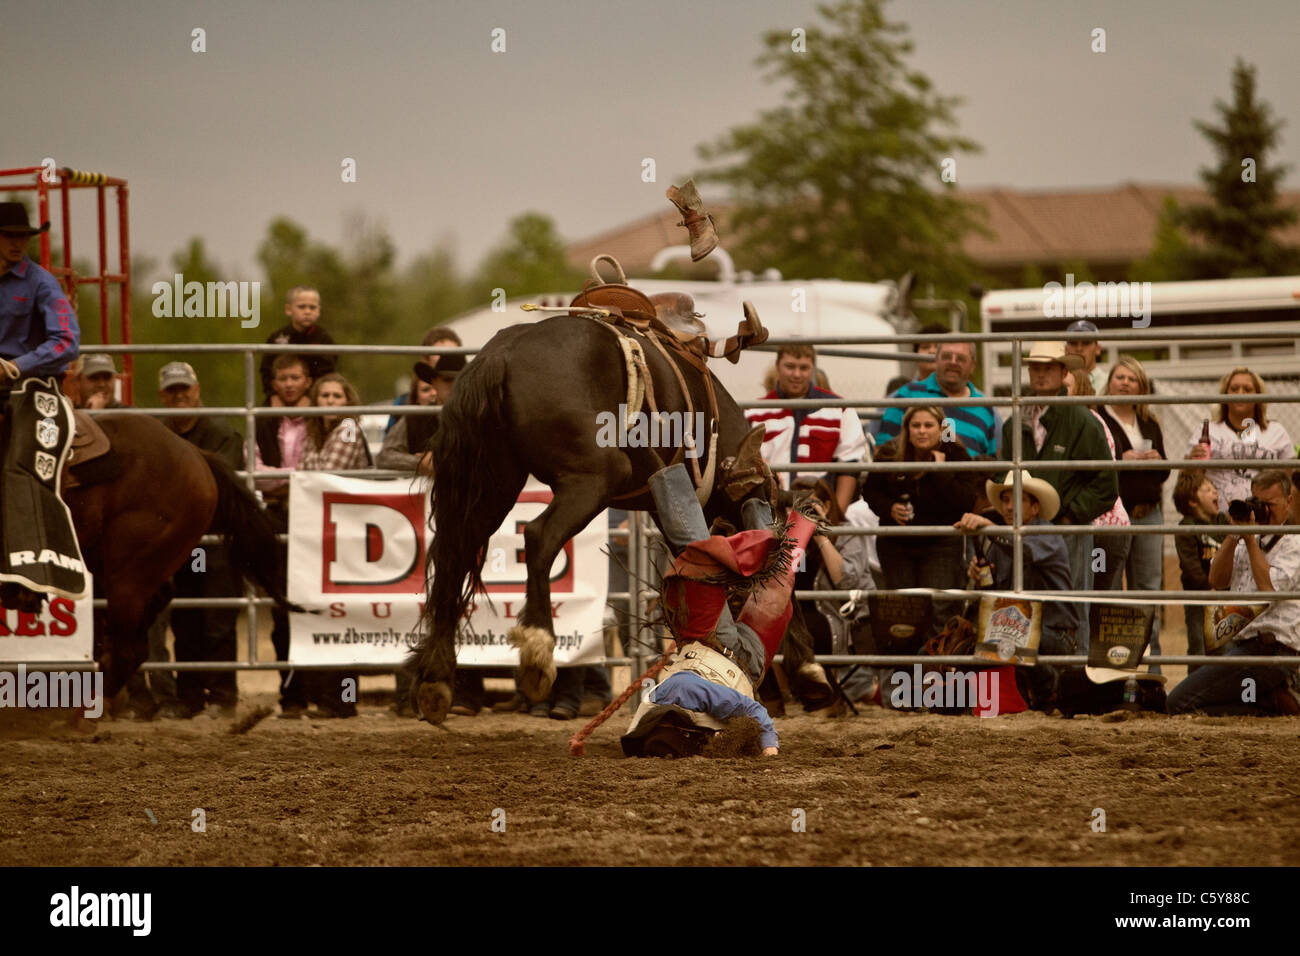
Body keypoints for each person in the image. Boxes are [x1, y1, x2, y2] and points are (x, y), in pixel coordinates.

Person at [620, 463, 819, 757]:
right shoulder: (653, 715)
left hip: (721, 649)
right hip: (734, 657)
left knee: (705, 560)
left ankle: (665, 468)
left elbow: (755, 712)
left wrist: (770, 750)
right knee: (777, 583)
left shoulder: (685, 693)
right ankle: (754, 494)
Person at [1003, 341, 1118, 652]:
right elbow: (1002, 475)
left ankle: (1073, 678)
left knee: (1071, 605)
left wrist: (1068, 515)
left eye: (1048, 368)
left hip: (1066, 530)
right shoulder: (1014, 421)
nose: (1040, 375)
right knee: (1022, 603)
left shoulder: (1082, 420)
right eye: (1035, 368)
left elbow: (1106, 484)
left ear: (1063, 372)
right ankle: (1032, 682)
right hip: (1024, 529)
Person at [0, 202, 82, 612]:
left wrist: (16, 365)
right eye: (10, 235)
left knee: (23, 461)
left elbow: (67, 341)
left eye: (23, 237)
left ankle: (31, 573)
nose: (18, 243)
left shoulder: (41, 283)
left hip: (30, 385)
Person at [1166, 469, 1300, 716]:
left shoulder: (1294, 542)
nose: (1263, 511)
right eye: (1257, 503)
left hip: (1272, 651)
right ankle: (1268, 699)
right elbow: (1217, 579)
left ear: (1289, 501)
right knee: (1184, 701)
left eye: (1269, 504)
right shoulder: (1251, 536)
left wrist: (1248, 540)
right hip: (1238, 645)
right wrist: (1233, 534)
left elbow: (1268, 589)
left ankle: (1271, 702)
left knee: (1179, 703)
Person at [156, 361, 245, 717]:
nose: (179, 396)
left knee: (218, 617)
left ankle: (223, 696)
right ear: (163, 396)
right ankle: (189, 697)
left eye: (184, 389)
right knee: (186, 618)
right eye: (172, 390)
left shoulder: (221, 432)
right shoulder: (160, 433)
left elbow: (217, 486)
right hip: (179, 539)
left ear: (197, 392)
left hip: (214, 536)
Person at [954, 470, 1080, 708]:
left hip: (1055, 633)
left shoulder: (1048, 534)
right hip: (1020, 627)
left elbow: (1022, 551)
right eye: (1005, 500)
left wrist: (991, 528)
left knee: (1010, 632)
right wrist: (979, 576)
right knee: (968, 639)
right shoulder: (1001, 542)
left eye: (1018, 500)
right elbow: (996, 592)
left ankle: (1047, 691)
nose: (1009, 507)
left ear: (1034, 508)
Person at [862, 404, 977, 635]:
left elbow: (966, 501)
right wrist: (889, 508)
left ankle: (939, 669)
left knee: (940, 610)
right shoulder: (891, 452)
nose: (922, 431)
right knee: (904, 614)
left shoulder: (955, 453)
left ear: (941, 428)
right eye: (916, 425)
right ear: (907, 429)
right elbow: (870, 491)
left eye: (928, 425)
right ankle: (907, 668)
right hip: (897, 544)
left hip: (941, 545)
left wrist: (940, 471)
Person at [300, 372, 372, 717]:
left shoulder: (347, 430)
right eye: (324, 396)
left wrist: (301, 485)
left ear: (348, 402)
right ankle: (329, 698)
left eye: (336, 397)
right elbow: (305, 476)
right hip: (322, 531)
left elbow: (320, 477)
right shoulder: (313, 434)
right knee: (325, 614)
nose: (330, 402)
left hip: (344, 532)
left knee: (341, 614)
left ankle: (342, 701)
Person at [1096, 355, 1170, 670]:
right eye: (1120, 377)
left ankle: (1151, 669)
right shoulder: (1098, 418)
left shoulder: (1149, 421)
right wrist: (1120, 461)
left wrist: (1157, 461)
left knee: (1148, 590)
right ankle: (1112, 669)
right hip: (1116, 514)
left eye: (1132, 379)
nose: (1125, 383)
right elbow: (1096, 470)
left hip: (1149, 513)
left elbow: (1165, 472)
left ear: (1142, 385)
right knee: (1111, 589)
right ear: (1109, 382)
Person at [254, 353, 313, 716]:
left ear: (307, 380)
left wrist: (287, 481)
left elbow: (324, 468)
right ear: (274, 383)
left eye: (296, 377)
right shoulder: (261, 419)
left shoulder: (322, 415)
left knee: (320, 601)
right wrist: (300, 480)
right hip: (278, 516)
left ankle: (328, 693)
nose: (289, 384)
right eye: (283, 379)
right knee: (282, 609)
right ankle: (291, 695)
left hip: (315, 516)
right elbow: (256, 472)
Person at [745, 343, 866, 515]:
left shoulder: (839, 409)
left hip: (819, 509)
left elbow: (849, 467)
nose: (796, 374)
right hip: (770, 510)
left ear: (813, 369)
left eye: (804, 368)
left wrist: (835, 518)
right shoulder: (754, 412)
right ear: (777, 366)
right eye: (790, 366)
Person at [1186, 365, 1296, 512]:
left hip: (1264, 519)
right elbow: (1188, 480)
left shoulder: (1276, 431)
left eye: (1247, 389)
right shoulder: (1207, 430)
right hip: (1218, 521)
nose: (1240, 393)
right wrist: (1191, 463)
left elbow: (1289, 482)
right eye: (1234, 388)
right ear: (1225, 395)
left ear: (1259, 395)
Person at [878, 339, 1002, 457]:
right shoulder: (907, 395)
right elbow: (883, 451)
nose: (953, 362)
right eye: (947, 356)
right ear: (936, 360)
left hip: (969, 478)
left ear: (972, 365)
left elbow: (992, 460)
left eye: (961, 358)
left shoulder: (984, 406)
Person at [1065, 369, 1131, 591]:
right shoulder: (1090, 419)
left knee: (1095, 600)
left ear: (1080, 389)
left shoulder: (1085, 422)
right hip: (1099, 524)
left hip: (1100, 526)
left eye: (1065, 387)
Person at [1172, 469, 1229, 673]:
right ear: (1192, 501)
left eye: (1214, 488)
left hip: (1223, 597)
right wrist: (1207, 589)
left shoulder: (1223, 522)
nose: (1215, 492)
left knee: (1223, 645)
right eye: (1207, 489)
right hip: (1199, 598)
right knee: (1198, 645)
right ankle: (1194, 687)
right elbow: (1191, 566)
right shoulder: (1186, 527)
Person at [377, 354, 463, 474]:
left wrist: (443, 461)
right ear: (434, 382)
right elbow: (384, 456)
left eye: (460, 380)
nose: (454, 385)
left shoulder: (476, 418)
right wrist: (420, 462)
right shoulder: (415, 417)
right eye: (447, 379)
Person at [869, 321, 947, 439]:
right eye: (925, 347)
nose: (932, 351)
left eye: (938, 347)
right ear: (914, 355)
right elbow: (874, 440)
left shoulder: (969, 399)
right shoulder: (895, 399)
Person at [259, 286, 337, 400]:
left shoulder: (324, 339)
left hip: (314, 398)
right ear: (288, 309)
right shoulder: (278, 338)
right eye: (302, 307)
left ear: (318, 311)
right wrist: (273, 396)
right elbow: (266, 371)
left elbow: (327, 375)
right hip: (280, 397)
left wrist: (310, 398)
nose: (307, 311)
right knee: (263, 415)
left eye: (312, 307)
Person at [386, 326, 461, 434]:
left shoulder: (471, 400)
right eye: (439, 359)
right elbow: (389, 446)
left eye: (453, 357)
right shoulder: (404, 403)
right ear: (426, 362)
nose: (447, 363)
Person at [1064, 319, 1107, 395]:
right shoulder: (1058, 381)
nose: (1079, 349)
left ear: (1098, 349)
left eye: (1086, 343)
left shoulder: (1109, 382)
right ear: (1066, 349)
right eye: (1073, 343)